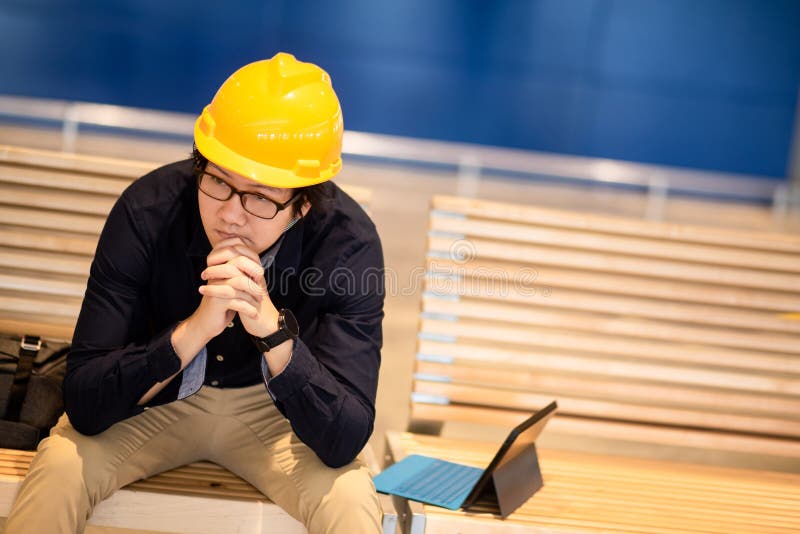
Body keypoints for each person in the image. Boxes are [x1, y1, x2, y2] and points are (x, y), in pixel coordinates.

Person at [5, 52, 385, 533]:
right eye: (218, 181)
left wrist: (269, 328)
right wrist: (196, 328)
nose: (230, 214)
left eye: (261, 197)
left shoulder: (348, 244)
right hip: (157, 399)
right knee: (61, 466)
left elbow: (344, 437)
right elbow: (85, 404)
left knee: (350, 501)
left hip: (274, 416)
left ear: (303, 204)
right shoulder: (148, 211)